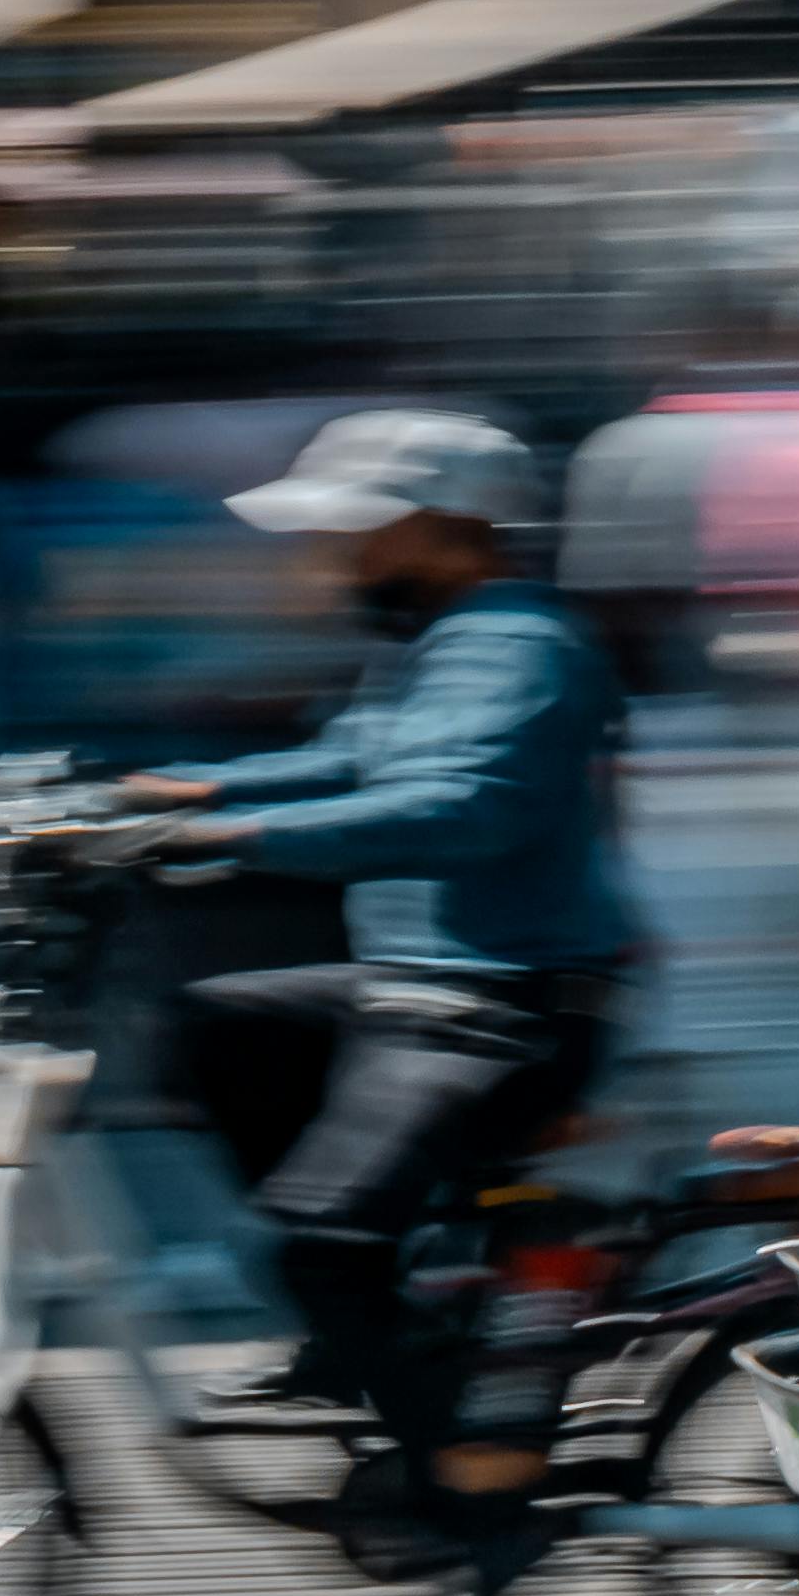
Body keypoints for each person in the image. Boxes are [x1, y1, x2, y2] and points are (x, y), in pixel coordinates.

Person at [127, 410, 632, 1515]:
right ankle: (365, 1324)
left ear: (450, 530)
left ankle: (467, 1496)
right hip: (418, 992)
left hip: (504, 1008)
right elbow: (350, 760)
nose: (330, 553)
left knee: (313, 1237)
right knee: (216, 1025)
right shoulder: (442, 643)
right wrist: (170, 793)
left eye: (360, 530)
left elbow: (463, 809)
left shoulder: (523, 646)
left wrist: (228, 839)